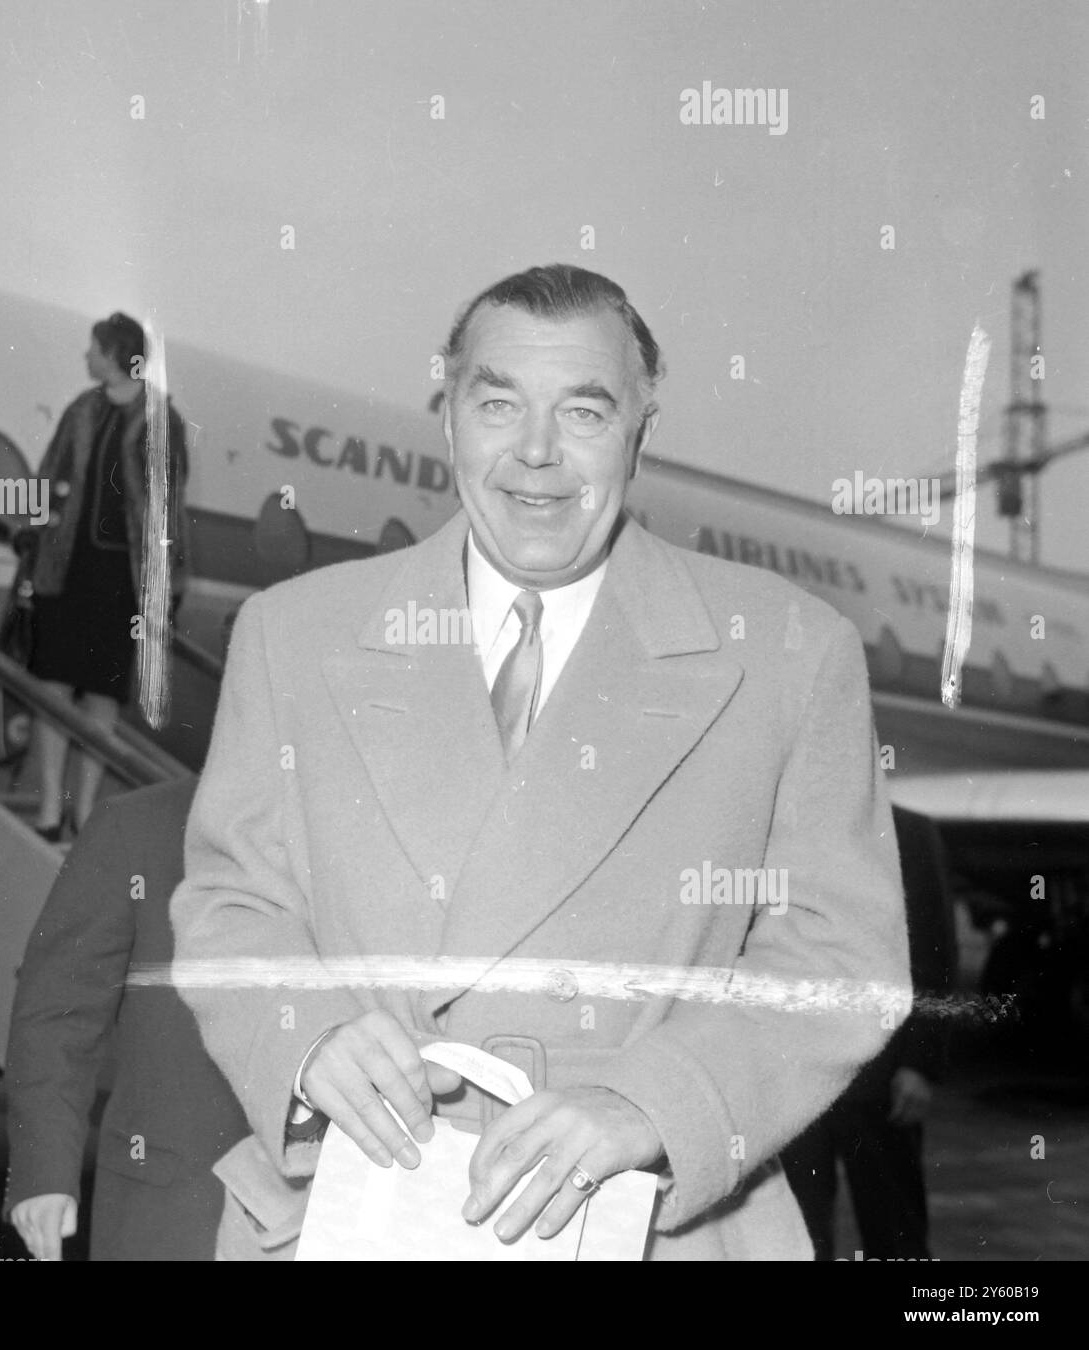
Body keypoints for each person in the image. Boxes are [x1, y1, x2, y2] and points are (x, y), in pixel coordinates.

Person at [170, 263, 911, 1261]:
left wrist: (656, 1104)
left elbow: (840, 960)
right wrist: (305, 1039)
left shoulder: (786, 652)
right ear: (447, 419)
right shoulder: (292, 635)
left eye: (584, 412)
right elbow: (230, 899)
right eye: (497, 402)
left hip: (649, 1224)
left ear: (640, 431)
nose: (534, 455)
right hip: (357, 1201)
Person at [4, 776, 250, 1260]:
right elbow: (57, 1013)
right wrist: (45, 1169)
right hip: (172, 1213)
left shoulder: (364, 832)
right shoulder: (138, 825)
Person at [18, 312, 189, 840]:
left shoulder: (161, 419)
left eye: (93, 348)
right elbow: (50, 474)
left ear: (114, 353)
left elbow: (167, 504)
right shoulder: (82, 409)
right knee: (52, 684)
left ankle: (83, 811)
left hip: (121, 577)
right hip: (65, 568)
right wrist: (32, 530)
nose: (86, 357)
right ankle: (50, 809)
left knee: (100, 695)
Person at [782, 804, 957, 1259]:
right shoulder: (781, 823)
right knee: (796, 1231)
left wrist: (921, 1064)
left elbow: (933, 950)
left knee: (894, 1232)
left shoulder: (910, 832)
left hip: (880, 1076)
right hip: (793, 1073)